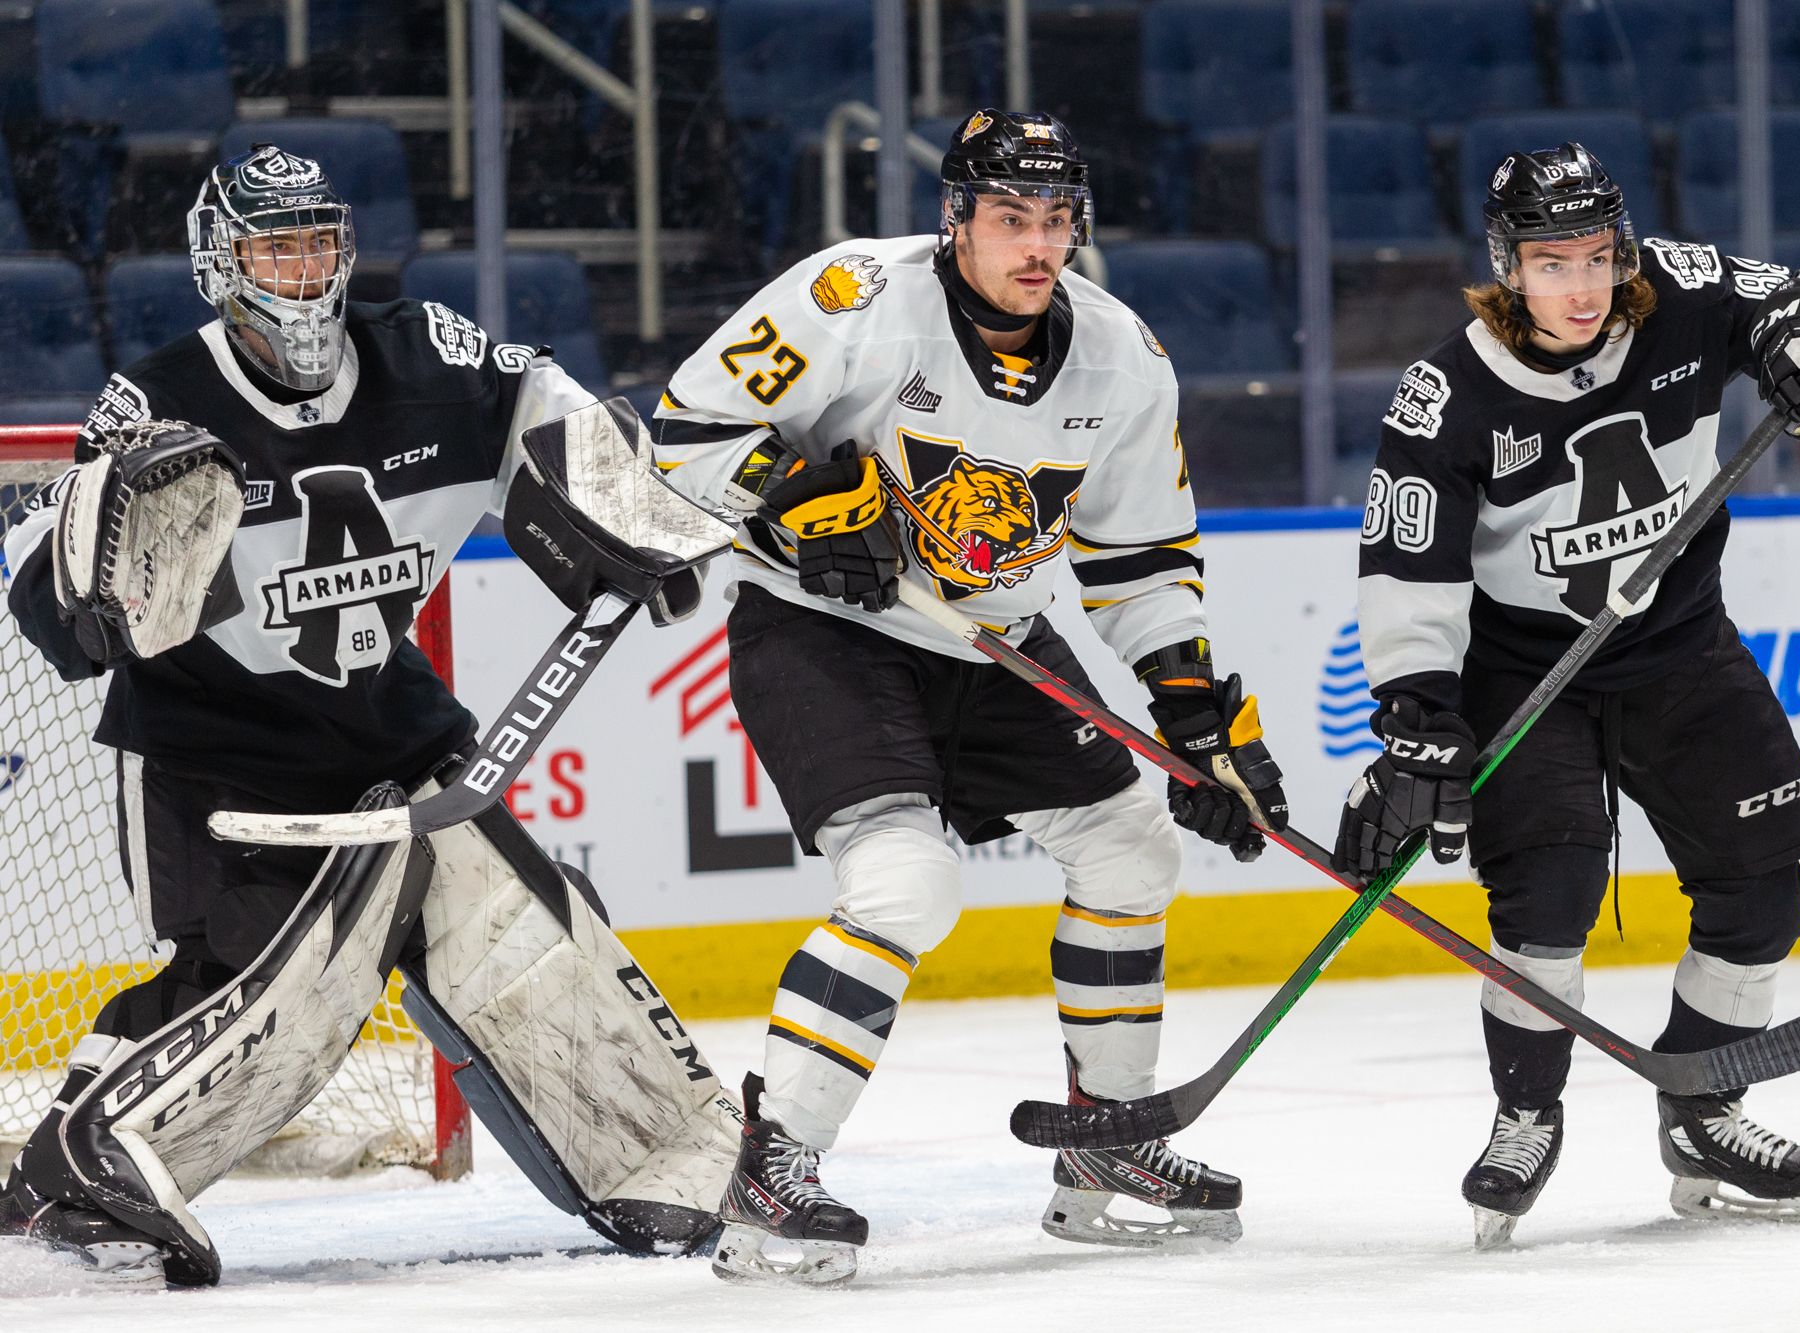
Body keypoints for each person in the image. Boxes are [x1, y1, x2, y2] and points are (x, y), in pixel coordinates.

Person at [0, 144, 740, 1285]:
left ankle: (666, 1158)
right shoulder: (157, 400)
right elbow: (42, 557)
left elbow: (547, 409)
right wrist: (82, 595)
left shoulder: (428, 354)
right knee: (261, 982)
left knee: (524, 934)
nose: (301, 271)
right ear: (219, 264)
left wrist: (624, 511)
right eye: (272, 248)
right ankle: (83, 1169)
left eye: (317, 243)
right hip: (216, 751)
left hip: (395, 727)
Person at [650, 108, 1289, 1284]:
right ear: (955, 218)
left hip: (997, 642)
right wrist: (792, 495)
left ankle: (1107, 1140)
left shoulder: (1122, 356)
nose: (1036, 244)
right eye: (1009, 218)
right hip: (827, 632)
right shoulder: (851, 297)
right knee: (905, 881)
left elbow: (1141, 557)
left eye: (1055, 219)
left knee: (1131, 847)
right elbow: (684, 434)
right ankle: (773, 1164)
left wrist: (1190, 708)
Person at [1330, 142, 1800, 1248]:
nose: (1582, 286)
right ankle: (1525, 1115)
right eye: (1551, 263)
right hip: (1527, 673)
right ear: (1508, 266)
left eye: (1597, 256)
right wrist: (1416, 713)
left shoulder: (1681, 288)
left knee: (1761, 893)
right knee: (1546, 902)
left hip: (1681, 646)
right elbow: (1407, 570)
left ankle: (1703, 1111)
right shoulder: (1445, 395)